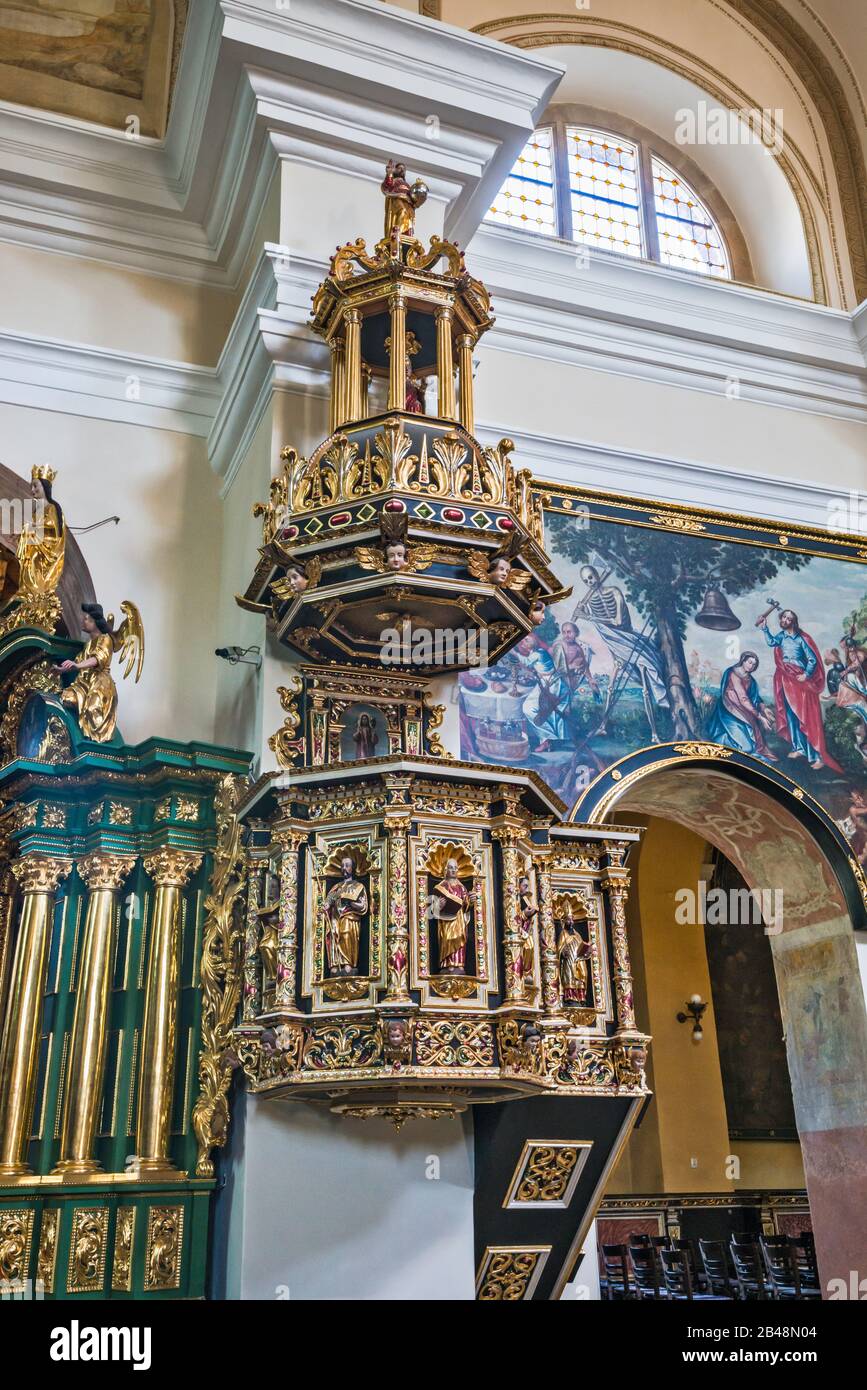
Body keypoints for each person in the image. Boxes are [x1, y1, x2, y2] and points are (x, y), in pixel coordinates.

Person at [759, 608, 842, 771]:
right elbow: (771, 642)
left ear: (793, 622)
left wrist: (806, 674)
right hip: (784, 677)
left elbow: (812, 659)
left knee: (805, 717)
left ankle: (816, 755)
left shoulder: (801, 639)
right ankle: (799, 748)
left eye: (788, 618)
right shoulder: (782, 636)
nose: (785, 620)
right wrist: (765, 629)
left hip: (799, 680)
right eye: (783, 617)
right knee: (791, 715)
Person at [57, 603, 118, 743]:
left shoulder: (105, 639)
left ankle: (97, 744)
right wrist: (60, 670)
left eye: (86, 619)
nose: (83, 621)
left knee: (93, 709)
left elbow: (97, 659)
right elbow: (76, 664)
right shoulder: (88, 645)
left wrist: (77, 665)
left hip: (100, 683)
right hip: (84, 683)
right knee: (65, 698)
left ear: (95, 622)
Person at [706, 651, 777, 760]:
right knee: (747, 748)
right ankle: (723, 740)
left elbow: (755, 697)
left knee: (751, 746)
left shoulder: (751, 680)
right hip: (728, 711)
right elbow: (743, 698)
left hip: (744, 711)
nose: (751, 666)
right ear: (743, 661)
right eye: (749, 662)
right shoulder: (732, 673)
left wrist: (764, 708)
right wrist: (760, 717)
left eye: (754, 664)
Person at [514, 634, 568, 751]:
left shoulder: (538, 653)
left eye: (525, 640)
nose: (522, 643)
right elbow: (534, 667)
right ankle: (547, 740)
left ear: (530, 644)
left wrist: (514, 653)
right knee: (538, 710)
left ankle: (548, 739)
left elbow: (527, 662)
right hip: (546, 683)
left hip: (553, 685)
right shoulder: (539, 652)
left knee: (532, 709)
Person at [323, 854, 368, 976]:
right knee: (333, 937)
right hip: (335, 918)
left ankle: (348, 964)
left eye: (347, 865)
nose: (344, 868)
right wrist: (327, 905)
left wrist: (352, 903)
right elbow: (329, 900)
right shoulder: (336, 887)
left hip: (349, 917)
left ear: (352, 868)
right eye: (342, 866)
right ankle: (334, 965)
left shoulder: (358, 886)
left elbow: (363, 906)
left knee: (346, 934)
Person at [430, 857, 473, 974]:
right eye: (450, 868)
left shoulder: (462, 887)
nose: (453, 870)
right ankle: (447, 964)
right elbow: (433, 910)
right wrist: (439, 905)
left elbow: (466, 906)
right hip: (446, 919)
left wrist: (470, 901)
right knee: (447, 938)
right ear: (446, 870)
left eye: (455, 868)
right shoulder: (441, 886)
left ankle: (459, 964)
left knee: (460, 938)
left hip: (459, 919)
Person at [552, 621, 601, 700]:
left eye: (569, 632)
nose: (566, 635)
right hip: (558, 681)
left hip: (572, 681)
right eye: (564, 632)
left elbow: (585, 666)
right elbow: (554, 667)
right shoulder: (558, 646)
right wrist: (571, 666)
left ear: (576, 633)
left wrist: (590, 679)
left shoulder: (578, 648)